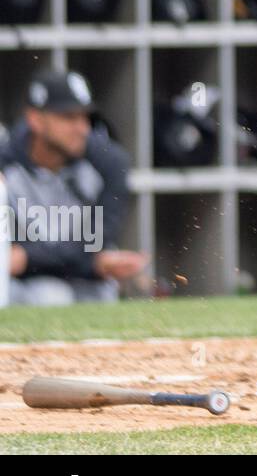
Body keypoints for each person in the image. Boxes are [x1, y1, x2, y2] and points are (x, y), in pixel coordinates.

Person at [2, 71, 148, 306]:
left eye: (85, 117)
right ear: (35, 120)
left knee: (100, 298)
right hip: (26, 282)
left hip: (85, 275)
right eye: (68, 117)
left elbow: (96, 241)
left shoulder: (110, 163)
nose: (81, 128)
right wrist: (92, 262)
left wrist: (28, 257)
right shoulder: (5, 163)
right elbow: (7, 258)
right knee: (49, 297)